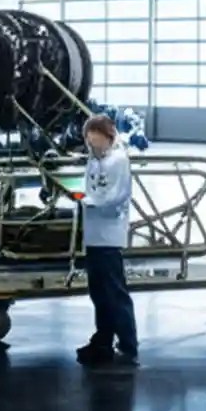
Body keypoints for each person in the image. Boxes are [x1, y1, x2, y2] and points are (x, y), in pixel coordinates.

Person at [72, 114, 139, 367]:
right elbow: (89, 188)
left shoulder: (118, 161)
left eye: (95, 138)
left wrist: (86, 201)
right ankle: (103, 339)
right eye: (89, 139)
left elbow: (115, 197)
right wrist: (80, 197)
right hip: (93, 236)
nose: (92, 143)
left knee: (114, 292)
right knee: (99, 293)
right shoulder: (94, 160)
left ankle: (128, 345)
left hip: (109, 237)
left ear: (108, 136)